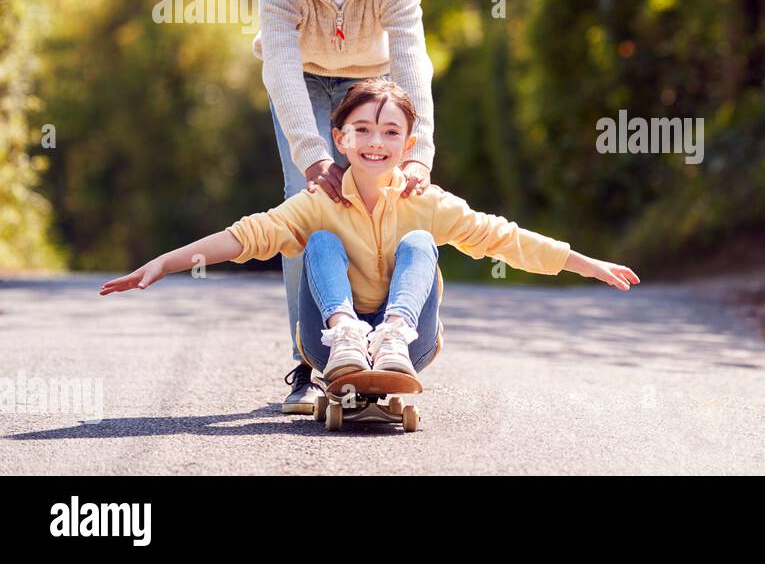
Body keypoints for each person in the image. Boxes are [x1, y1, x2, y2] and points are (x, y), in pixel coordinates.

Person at [99, 79, 640, 385]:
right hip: (326, 344)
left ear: (408, 144)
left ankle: (391, 334)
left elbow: (502, 237)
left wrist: (585, 263)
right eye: (361, 130)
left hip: (412, 345)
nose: (374, 142)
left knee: (420, 242)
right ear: (339, 139)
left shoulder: (425, 201)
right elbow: (247, 237)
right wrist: (167, 262)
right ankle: (349, 334)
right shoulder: (318, 201)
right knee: (321, 241)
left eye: (389, 132)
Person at [248, 0, 441, 409]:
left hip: (369, 85)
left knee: (387, 204)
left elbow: (412, 63)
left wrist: (417, 154)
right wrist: (312, 157)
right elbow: (280, 71)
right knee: (306, 211)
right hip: (303, 80)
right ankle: (308, 362)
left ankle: (387, 344)